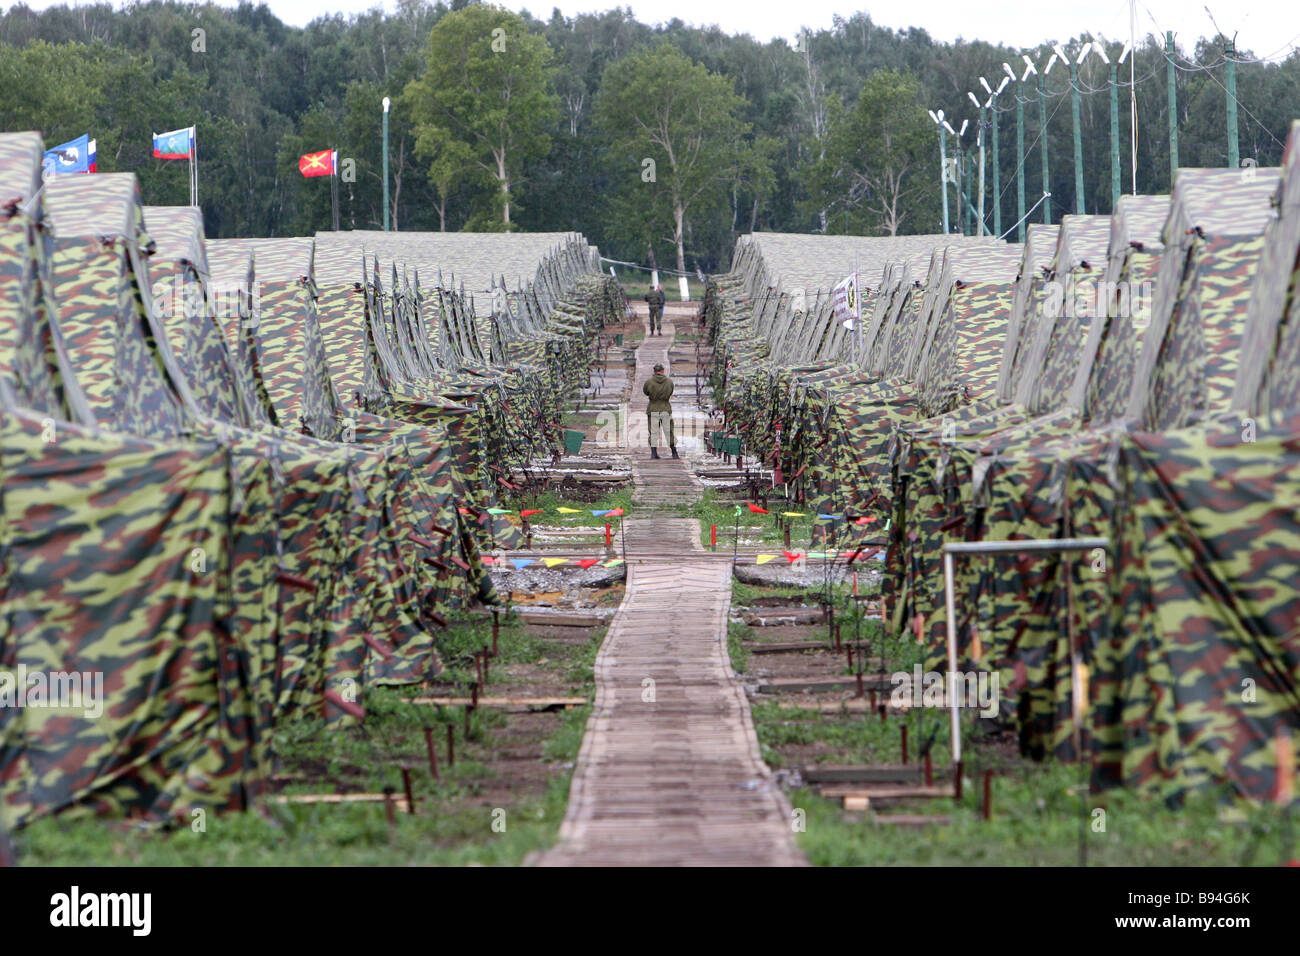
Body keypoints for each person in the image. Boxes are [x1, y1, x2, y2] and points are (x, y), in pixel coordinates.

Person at [643, 362, 676, 459]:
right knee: (669, 430)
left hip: (653, 408)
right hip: (665, 408)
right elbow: (671, 391)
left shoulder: (649, 382)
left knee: (653, 431)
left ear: (654, 371)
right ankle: (674, 452)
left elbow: (645, 392)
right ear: (662, 371)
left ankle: (653, 453)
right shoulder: (669, 382)